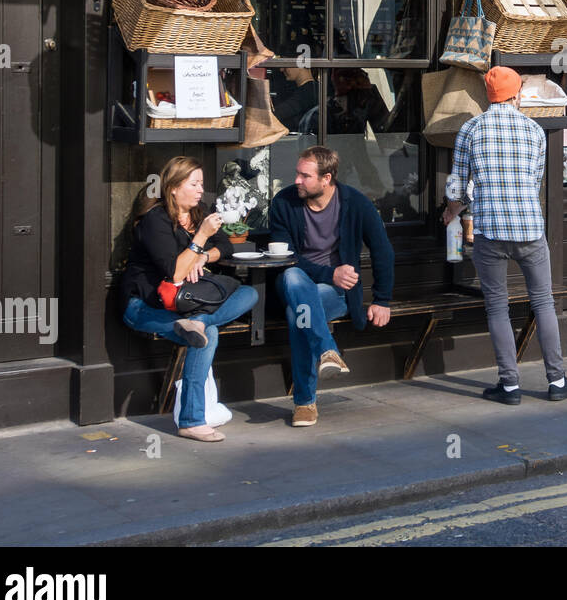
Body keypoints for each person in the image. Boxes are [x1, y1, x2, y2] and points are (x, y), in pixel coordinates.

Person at [443, 66, 567, 404]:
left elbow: (458, 184)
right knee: (544, 302)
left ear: (487, 96)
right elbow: (535, 182)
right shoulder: (533, 129)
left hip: (490, 231)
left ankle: (509, 385)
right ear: (517, 94)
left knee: (496, 307)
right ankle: (557, 381)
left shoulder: (470, 129)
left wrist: (452, 210)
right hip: (530, 228)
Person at [120, 156, 259, 442]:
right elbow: (173, 272)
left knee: (249, 293)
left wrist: (204, 255)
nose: (200, 190)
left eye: (201, 184)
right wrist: (199, 239)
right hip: (145, 305)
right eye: (194, 184)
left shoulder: (198, 213)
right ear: (172, 187)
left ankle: (196, 321)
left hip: (189, 303)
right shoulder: (155, 220)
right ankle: (191, 421)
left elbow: (224, 246)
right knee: (207, 333)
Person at [269, 145, 396, 427]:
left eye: (305, 176)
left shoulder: (355, 203)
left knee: (297, 315)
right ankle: (328, 350)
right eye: (297, 174)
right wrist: (330, 273)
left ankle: (304, 403)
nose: (297, 181)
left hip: (336, 294)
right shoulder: (284, 202)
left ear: (326, 179)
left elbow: (382, 250)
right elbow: (286, 258)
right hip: (297, 282)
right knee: (292, 278)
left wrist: (382, 299)